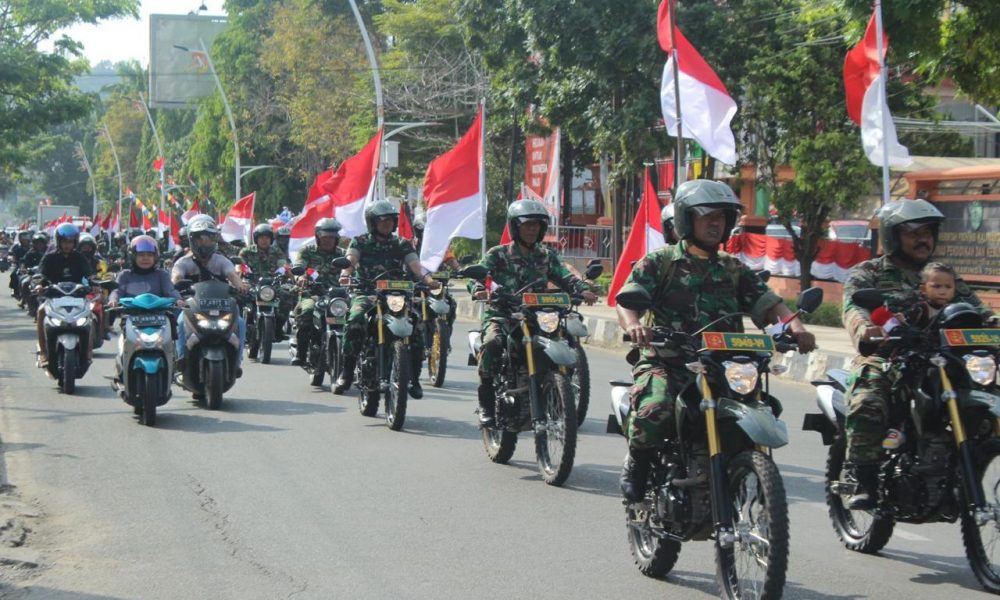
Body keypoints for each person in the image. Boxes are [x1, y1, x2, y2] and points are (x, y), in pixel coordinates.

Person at [616, 180, 817, 502]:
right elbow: (626, 301)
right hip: (669, 361)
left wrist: (796, 328)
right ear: (685, 219)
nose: (715, 223)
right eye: (707, 216)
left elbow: (769, 303)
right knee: (655, 409)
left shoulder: (733, 268)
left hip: (724, 365)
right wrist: (635, 325)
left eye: (722, 218)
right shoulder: (660, 262)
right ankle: (636, 466)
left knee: (762, 407)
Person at [841, 198, 991, 509]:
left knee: (987, 395)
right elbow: (853, 307)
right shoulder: (869, 272)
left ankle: (959, 470)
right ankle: (864, 477)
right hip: (890, 354)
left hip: (942, 357)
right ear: (894, 236)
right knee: (869, 396)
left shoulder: (941, 274)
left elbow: (979, 311)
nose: (923, 239)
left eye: (928, 232)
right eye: (913, 233)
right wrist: (867, 330)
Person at [469, 200, 598, 426]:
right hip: (503, 315)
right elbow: (479, 277)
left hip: (538, 315)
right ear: (515, 227)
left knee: (564, 336)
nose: (532, 229)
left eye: (536, 225)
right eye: (527, 225)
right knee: (491, 343)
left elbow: (564, 276)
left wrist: (582, 289)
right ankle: (486, 403)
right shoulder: (498, 254)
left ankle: (558, 391)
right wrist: (480, 289)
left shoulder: (546, 255)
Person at [334, 201, 437, 397]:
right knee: (355, 319)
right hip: (367, 293)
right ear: (372, 222)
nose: (387, 223)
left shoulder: (401, 243)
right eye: (382, 220)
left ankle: (414, 379)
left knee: (416, 324)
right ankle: (346, 372)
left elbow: (415, 265)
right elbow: (351, 260)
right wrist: (346, 274)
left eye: (391, 220)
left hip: (397, 296)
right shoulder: (361, 241)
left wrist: (428, 280)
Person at [170, 217, 249, 372]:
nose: (205, 243)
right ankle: (181, 359)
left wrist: (240, 286)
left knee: (239, 322)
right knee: (179, 321)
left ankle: (237, 362)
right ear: (192, 240)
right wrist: (176, 285)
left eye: (209, 238)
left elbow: (233, 275)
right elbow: (176, 278)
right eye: (200, 239)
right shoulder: (183, 262)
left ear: (215, 240)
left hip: (221, 305)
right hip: (192, 306)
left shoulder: (221, 261)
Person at [36, 223, 94, 367]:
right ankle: (44, 352)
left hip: (77, 298)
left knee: (90, 316)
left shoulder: (80, 258)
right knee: (41, 311)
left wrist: (94, 284)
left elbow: (89, 276)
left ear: (75, 242)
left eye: (70, 242)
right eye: (64, 242)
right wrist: (39, 285)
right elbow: (41, 276)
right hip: (54, 298)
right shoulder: (49, 258)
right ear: (58, 241)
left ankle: (87, 352)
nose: (67, 245)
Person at [290, 218, 346, 368]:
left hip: (337, 297)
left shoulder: (343, 255)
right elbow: (298, 267)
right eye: (325, 237)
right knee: (307, 311)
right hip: (313, 294)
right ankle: (301, 354)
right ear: (318, 237)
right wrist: (300, 277)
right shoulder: (307, 251)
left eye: (332, 237)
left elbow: (353, 270)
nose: (328, 241)